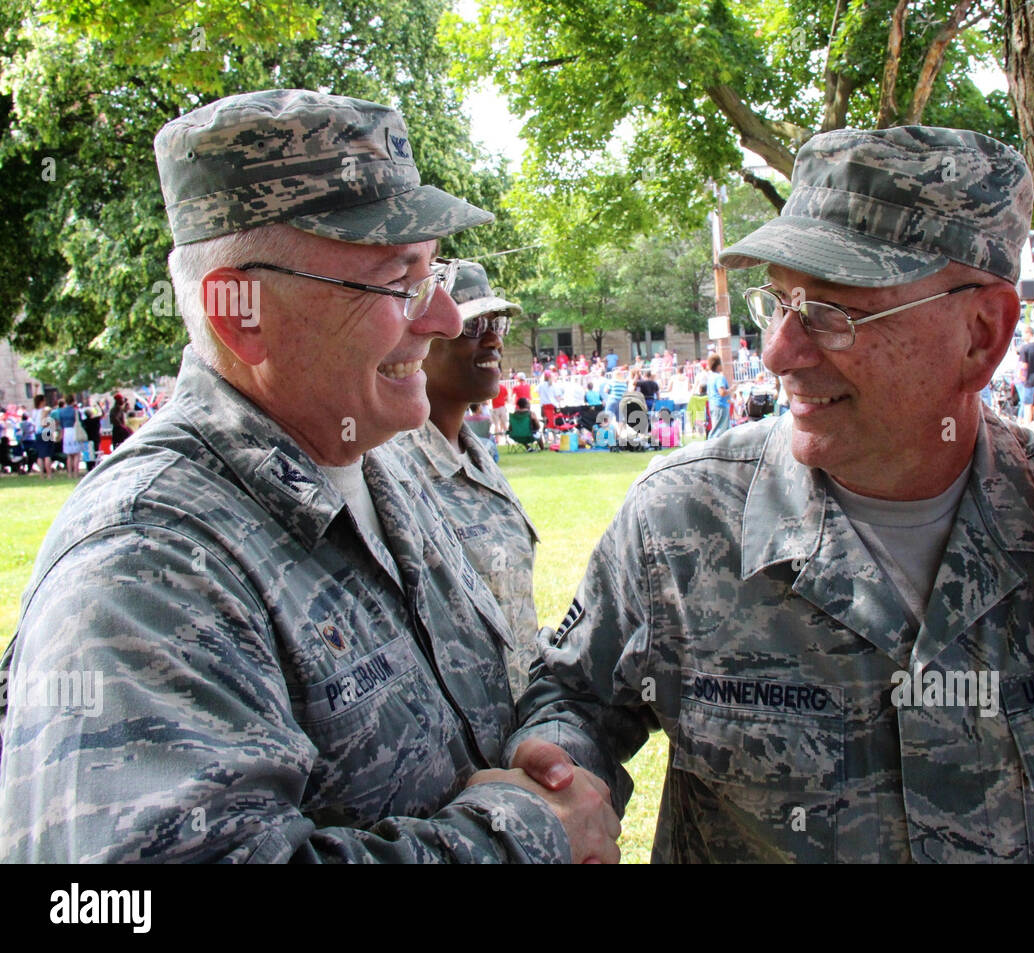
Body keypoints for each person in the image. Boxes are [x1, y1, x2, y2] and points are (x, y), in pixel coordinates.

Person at [0, 89, 618, 864]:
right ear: (241, 316)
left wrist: (543, 752)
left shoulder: (384, 462)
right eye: (398, 282)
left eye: (435, 272)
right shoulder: (141, 569)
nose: (445, 322)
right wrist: (519, 836)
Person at [508, 126, 1034, 863]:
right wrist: (560, 768)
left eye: (834, 314)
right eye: (778, 302)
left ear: (982, 333)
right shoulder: (683, 520)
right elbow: (572, 694)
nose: (779, 351)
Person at [392, 261, 540, 701]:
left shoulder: (475, 457)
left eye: (496, 323)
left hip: (519, 730)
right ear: (419, 339)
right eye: (472, 326)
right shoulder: (389, 470)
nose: (493, 338)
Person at [705, 353, 731, 438]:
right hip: (721, 406)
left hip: (713, 405)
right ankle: (710, 446)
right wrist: (732, 389)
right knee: (718, 430)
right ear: (718, 365)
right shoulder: (719, 377)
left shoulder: (710, 377)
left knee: (722, 429)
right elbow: (722, 392)